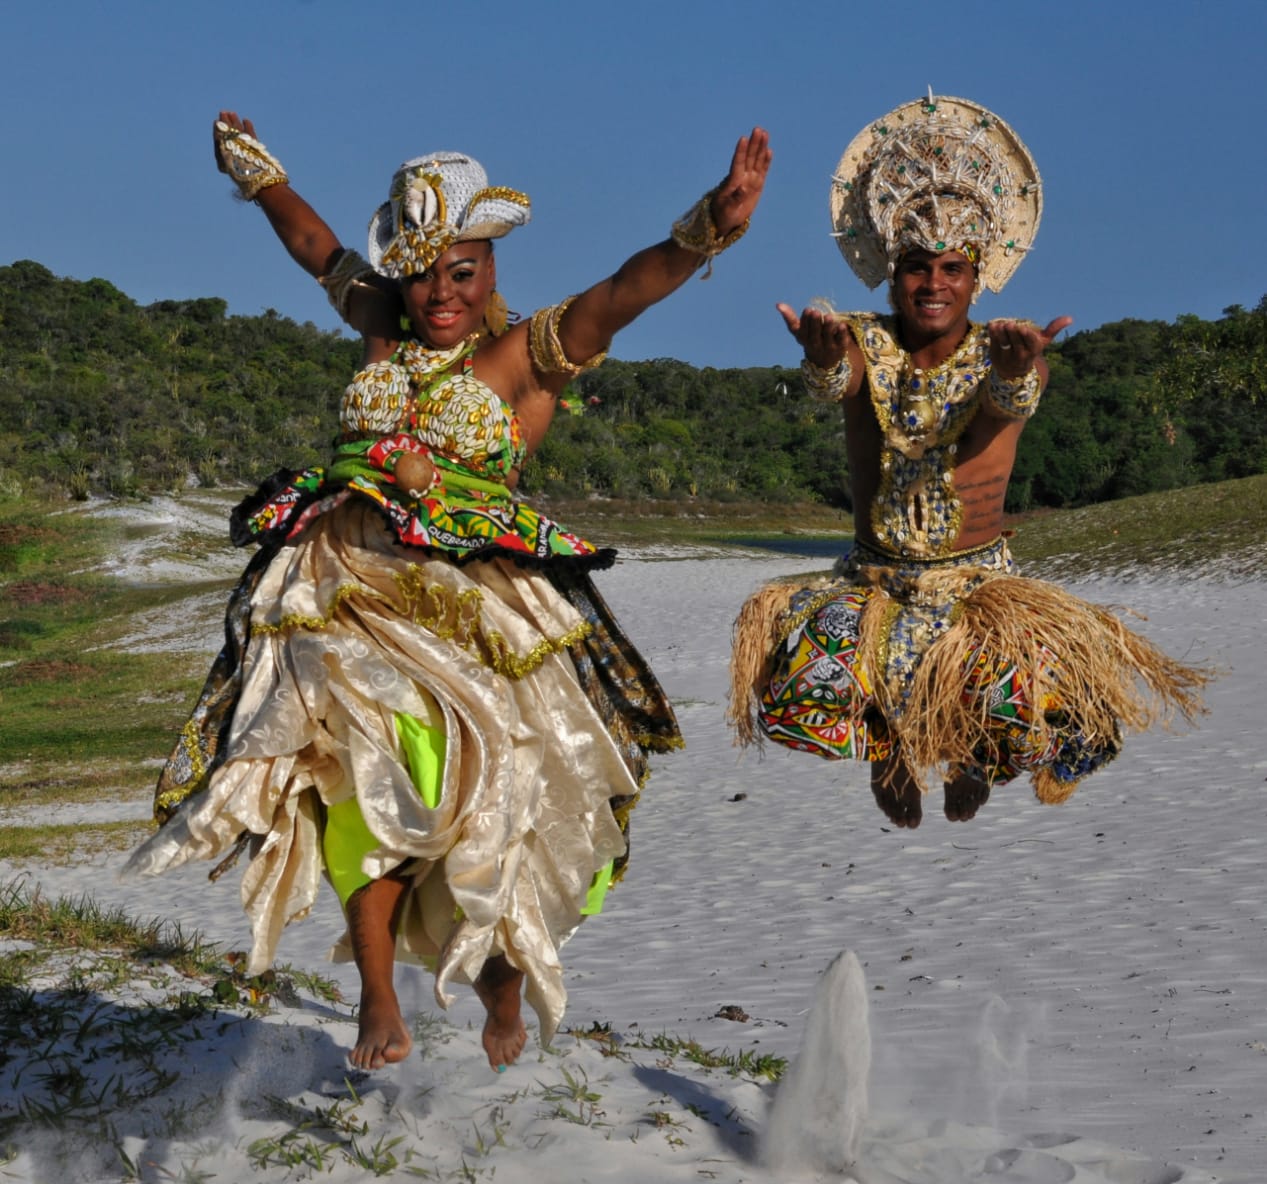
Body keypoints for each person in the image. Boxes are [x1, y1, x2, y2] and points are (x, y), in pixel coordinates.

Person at [126, 112, 770, 1071]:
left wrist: (707, 226)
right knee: (350, 774)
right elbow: (315, 245)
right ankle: (377, 1000)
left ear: (490, 267)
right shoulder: (380, 325)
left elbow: (621, 295)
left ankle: (499, 997)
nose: (438, 292)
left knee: (485, 812)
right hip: (343, 585)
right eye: (422, 271)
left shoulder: (527, 356)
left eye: (460, 272)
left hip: (468, 604)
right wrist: (257, 171)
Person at [729, 93, 1206, 830]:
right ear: (891, 271)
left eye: (953, 268)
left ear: (977, 276)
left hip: (977, 586)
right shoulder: (862, 342)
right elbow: (840, 381)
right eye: (918, 267)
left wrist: (1015, 373)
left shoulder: (1004, 352)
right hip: (876, 579)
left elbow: (1011, 401)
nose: (933, 284)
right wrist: (822, 358)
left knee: (1044, 708)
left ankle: (973, 756)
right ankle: (886, 748)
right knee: (801, 681)